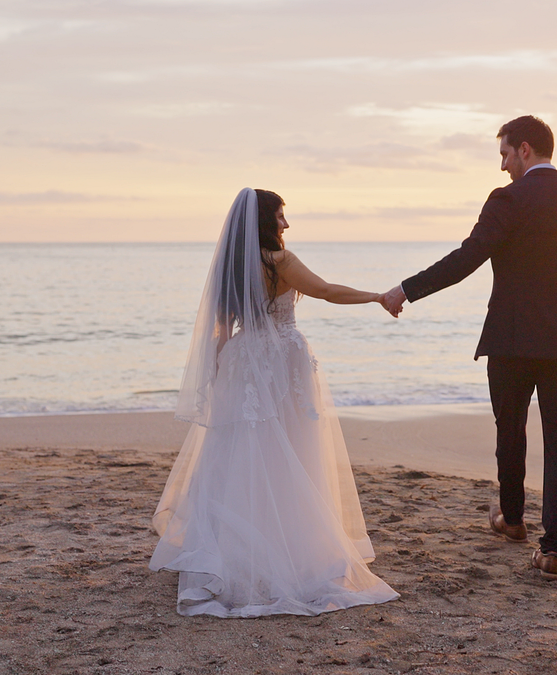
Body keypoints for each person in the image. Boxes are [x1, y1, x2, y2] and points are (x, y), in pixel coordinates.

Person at [149, 187, 399, 617]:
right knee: (292, 453)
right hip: (281, 359)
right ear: (266, 222)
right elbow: (325, 291)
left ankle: (230, 554)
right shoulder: (278, 261)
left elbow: (223, 327)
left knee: (239, 454)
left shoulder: (235, 264)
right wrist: (375, 296)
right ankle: (290, 550)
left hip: (244, 361)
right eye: (281, 216)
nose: (286, 224)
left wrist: (216, 371)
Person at [381, 115, 557, 580]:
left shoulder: (507, 198)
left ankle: (511, 518)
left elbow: (467, 258)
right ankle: (553, 549)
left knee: (512, 429)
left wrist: (405, 289)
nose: (502, 166)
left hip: (512, 339)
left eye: (504, 154)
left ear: (524, 149)